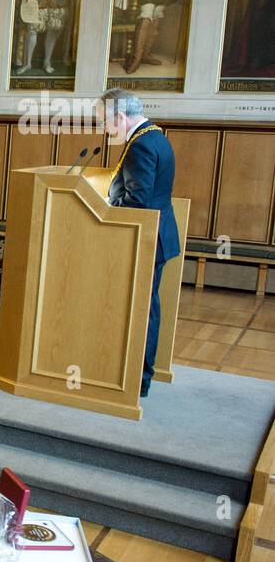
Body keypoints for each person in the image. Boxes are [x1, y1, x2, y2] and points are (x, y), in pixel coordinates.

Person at [99, 87, 179, 396]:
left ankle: (138, 378)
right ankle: (141, 374)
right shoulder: (154, 135)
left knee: (144, 309)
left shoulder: (141, 145)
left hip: (146, 239)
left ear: (120, 116)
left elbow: (137, 202)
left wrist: (104, 209)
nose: (105, 129)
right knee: (147, 307)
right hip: (157, 236)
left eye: (105, 121)